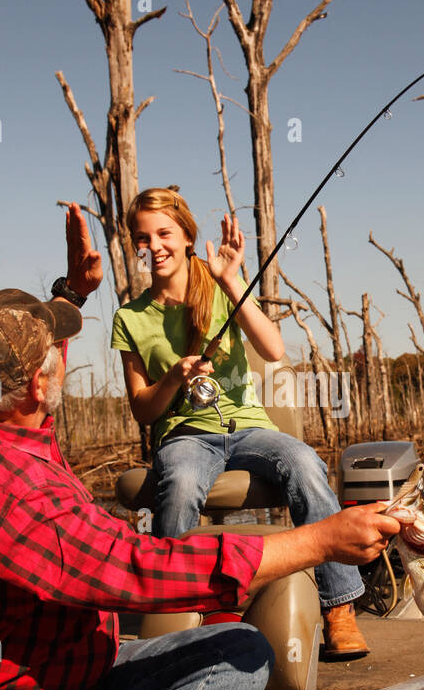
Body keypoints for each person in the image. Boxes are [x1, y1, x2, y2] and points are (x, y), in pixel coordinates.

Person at [0, 207, 404, 690]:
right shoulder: (3, 495)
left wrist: (70, 294)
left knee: (243, 650)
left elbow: (31, 371)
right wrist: (319, 540)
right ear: (38, 385)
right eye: (50, 356)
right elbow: (136, 570)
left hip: (87, 680)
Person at [111, 185, 369, 659]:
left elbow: (274, 350)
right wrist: (172, 375)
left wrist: (231, 280)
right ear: (136, 246)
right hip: (185, 435)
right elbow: (144, 409)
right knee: (182, 484)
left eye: (165, 232)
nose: (156, 246)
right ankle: (174, 614)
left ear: (187, 236)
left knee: (305, 462)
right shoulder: (130, 317)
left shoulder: (221, 288)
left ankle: (339, 608)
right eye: (144, 238)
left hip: (249, 427)